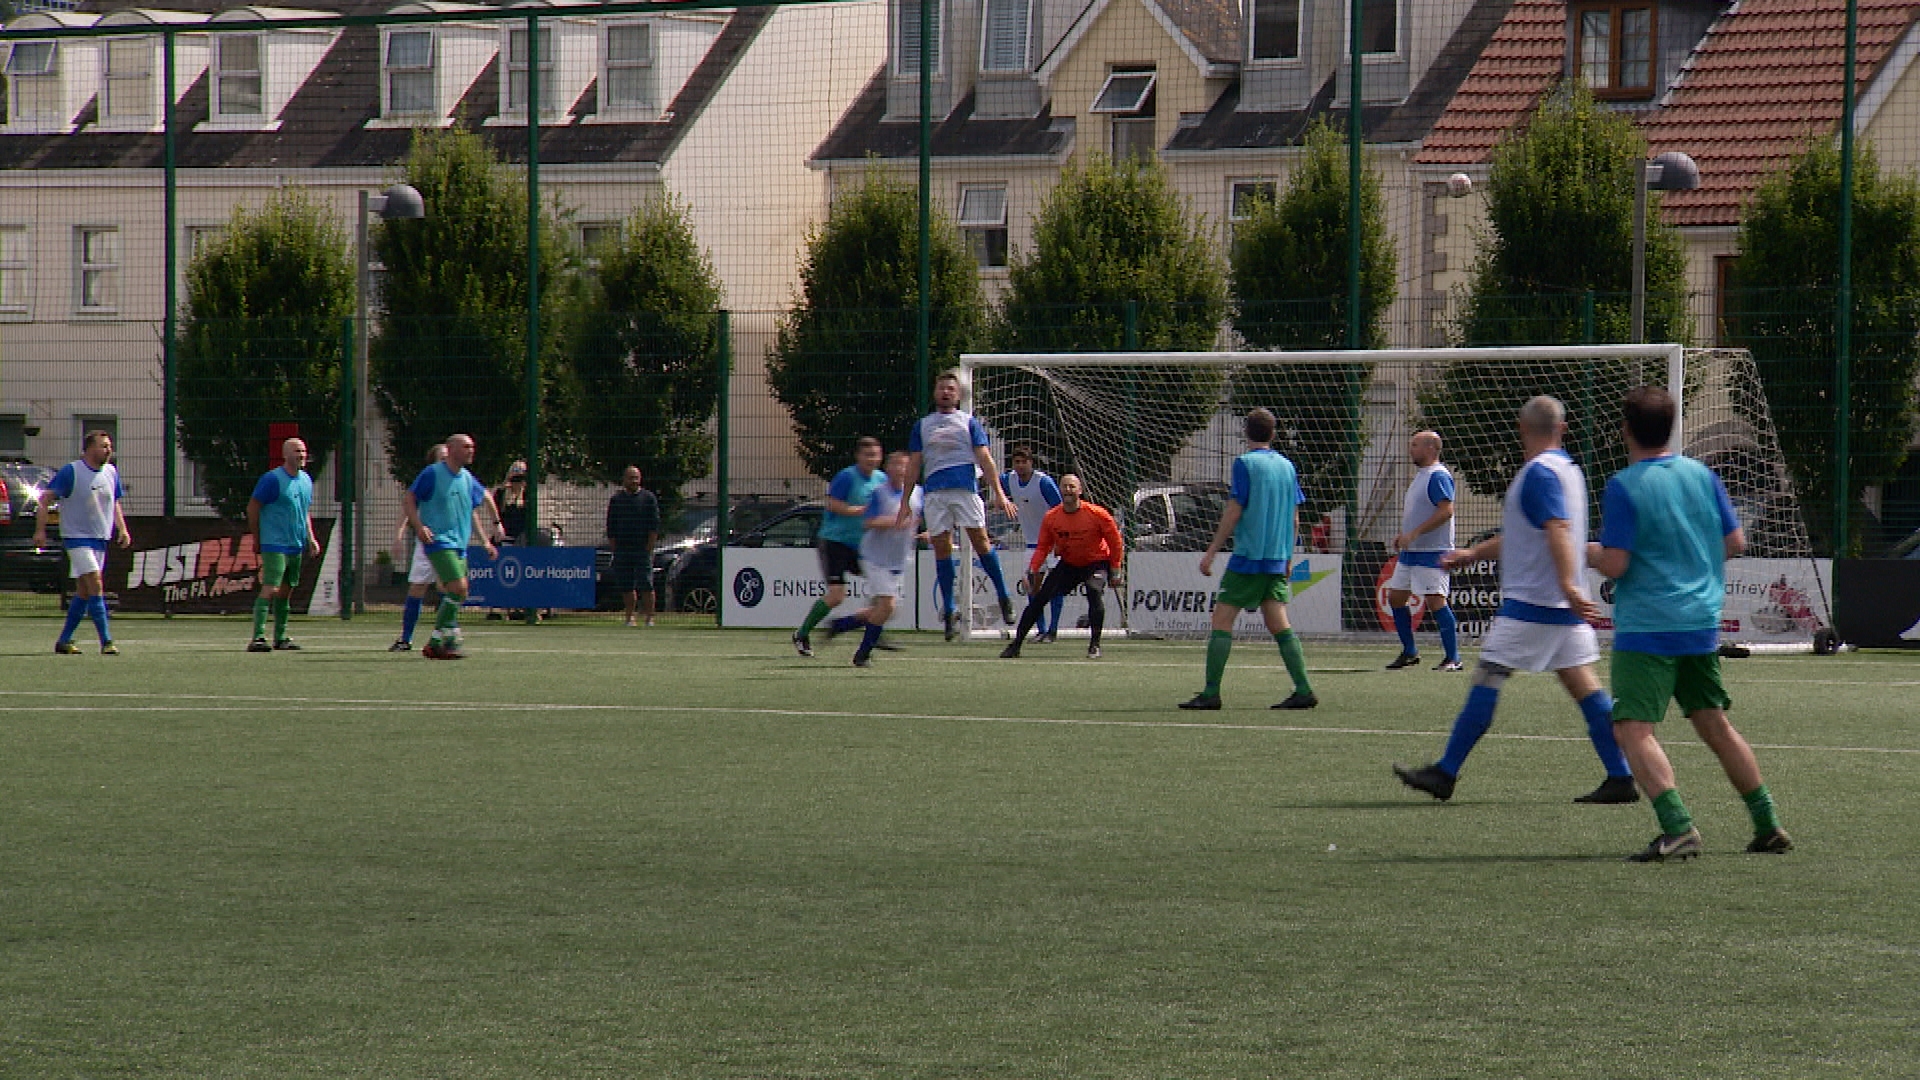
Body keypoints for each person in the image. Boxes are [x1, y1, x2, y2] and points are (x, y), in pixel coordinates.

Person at [1392, 396, 1637, 805]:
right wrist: (1472, 553)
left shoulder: (1538, 473)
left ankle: (1446, 772)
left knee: (1488, 675)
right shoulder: (1569, 471)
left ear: (1522, 428)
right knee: (1585, 687)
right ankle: (1621, 776)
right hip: (1560, 607)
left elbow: (1557, 528)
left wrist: (1568, 586)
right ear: (1562, 428)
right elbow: (1532, 533)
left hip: (1535, 604)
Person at [1591, 385, 1791, 862]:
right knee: (1715, 725)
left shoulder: (1624, 485)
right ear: (1673, 426)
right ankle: (1767, 823)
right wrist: (1692, 566)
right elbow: (1736, 541)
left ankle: (1677, 826)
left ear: (1625, 430)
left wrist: (1586, 552)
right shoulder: (1702, 475)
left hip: (1649, 627)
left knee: (1632, 729)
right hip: (1700, 622)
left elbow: (1616, 564)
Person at [1180, 408, 1316, 711]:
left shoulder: (1244, 463)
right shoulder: (1287, 466)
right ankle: (1304, 688)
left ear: (1246, 432)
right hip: (1278, 558)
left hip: (1249, 557)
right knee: (1278, 621)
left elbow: (1234, 509)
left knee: (1222, 620)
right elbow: (1296, 517)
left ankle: (1211, 693)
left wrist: (1212, 550)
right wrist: (1290, 556)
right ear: (1274, 433)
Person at [903, 372, 1017, 640]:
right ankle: (951, 612)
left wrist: (1000, 494)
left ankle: (1004, 596)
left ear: (958, 394)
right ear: (935, 393)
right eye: (941, 388)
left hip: (965, 490)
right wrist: (904, 503)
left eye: (951, 389)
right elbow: (914, 465)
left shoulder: (968, 423)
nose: (945, 392)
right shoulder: (923, 425)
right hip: (935, 494)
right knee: (941, 547)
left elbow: (986, 459)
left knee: (980, 542)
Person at [999, 474, 1121, 660]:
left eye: (1072, 486)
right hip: (1070, 564)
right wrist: (1033, 569)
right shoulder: (1052, 517)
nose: (1068, 490)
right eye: (1064, 486)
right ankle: (1015, 645)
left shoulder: (1097, 514)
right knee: (1040, 599)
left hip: (1096, 563)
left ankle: (1094, 645)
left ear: (1080, 491)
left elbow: (1115, 542)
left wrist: (1115, 568)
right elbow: (1043, 547)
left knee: (1093, 592)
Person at [402, 433, 498, 659]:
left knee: (457, 591)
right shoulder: (433, 473)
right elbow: (409, 499)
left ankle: (436, 641)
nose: (471, 450)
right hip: (439, 541)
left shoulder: (467, 478)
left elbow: (480, 502)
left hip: (459, 544)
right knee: (459, 587)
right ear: (451, 448)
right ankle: (443, 637)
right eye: (466, 446)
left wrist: (490, 533)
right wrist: (419, 527)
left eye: (472, 446)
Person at [36, 430, 131, 655]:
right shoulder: (72, 471)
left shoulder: (111, 472)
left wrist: (123, 529)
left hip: (99, 539)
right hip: (76, 538)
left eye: (109, 446)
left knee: (85, 591)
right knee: (96, 583)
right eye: (103, 446)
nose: (108, 450)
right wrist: (40, 529)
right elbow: (45, 499)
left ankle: (64, 641)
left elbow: (114, 502)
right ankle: (106, 641)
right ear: (89, 448)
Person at [794, 437, 887, 657]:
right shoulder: (847, 476)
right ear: (858, 456)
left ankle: (874, 627)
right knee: (836, 596)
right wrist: (861, 511)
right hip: (834, 541)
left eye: (875, 455)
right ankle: (802, 633)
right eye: (867, 455)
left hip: (862, 545)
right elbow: (833, 504)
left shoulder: (881, 479)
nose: (871, 459)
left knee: (883, 587)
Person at [1384, 430, 1463, 672]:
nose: (1411, 449)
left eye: (1415, 445)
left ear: (1430, 448)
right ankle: (1410, 651)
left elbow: (1446, 511)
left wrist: (1415, 534)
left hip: (1432, 551)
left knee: (1436, 601)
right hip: (1412, 552)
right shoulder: (1421, 475)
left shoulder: (1438, 475)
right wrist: (1404, 535)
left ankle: (1453, 658)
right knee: (1396, 597)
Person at [246, 437, 320, 652]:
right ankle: (258, 637)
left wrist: (311, 538)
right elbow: (253, 507)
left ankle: (281, 637)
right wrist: (257, 537)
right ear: (285, 454)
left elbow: (304, 511)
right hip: (274, 544)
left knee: (286, 591)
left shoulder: (306, 480)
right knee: (271, 587)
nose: (302, 455)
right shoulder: (272, 479)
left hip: (295, 545)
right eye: (297, 451)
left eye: (303, 451)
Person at [851, 450, 922, 668]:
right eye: (896, 465)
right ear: (888, 469)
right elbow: (868, 522)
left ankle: (840, 625)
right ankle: (862, 655)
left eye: (904, 466)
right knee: (887, 606)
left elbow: (919, 521)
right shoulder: (879, 493)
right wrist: (894, 522)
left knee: (886, 610)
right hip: (875, 557)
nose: (900, 470)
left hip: (898, 560)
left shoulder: (919, 493)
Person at [1002, 444, 1065, 643]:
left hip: (1052, 543)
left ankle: (1053, 630)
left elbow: (1060, 509)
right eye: (1017, 462)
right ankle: (1041, 629)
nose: (1020, 466)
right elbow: (992, 481)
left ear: (1031, 463)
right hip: (1031, 544)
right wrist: (1000, 498)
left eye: (1024, 462)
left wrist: (1060, 539)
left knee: (1055, 587)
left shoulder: (1043, 482)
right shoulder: (1009, 479)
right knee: (1032, 587)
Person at [391, 444, 449, 652]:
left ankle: (443, 636)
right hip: (426, 543)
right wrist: (398, 535)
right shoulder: (428, 480)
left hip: (448, 543)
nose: (445, 460)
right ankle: (405, 639)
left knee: (446, 588)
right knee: (418, 587)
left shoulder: (456, 481)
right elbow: (409, 506)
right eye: (441, 457)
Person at [606, 465, 661, 628]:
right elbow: (611, 526)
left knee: (646, 583)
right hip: (623, 549)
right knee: (626, 585)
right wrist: (615, 546)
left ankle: (649, 618)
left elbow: (654, 525)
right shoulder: (617, 500)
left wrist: (649, 546)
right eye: (631, 478)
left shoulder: (648, 498)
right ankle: (629, 617)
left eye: (636, 477)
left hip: (642, 549)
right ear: (624, 480)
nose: (634, 481)